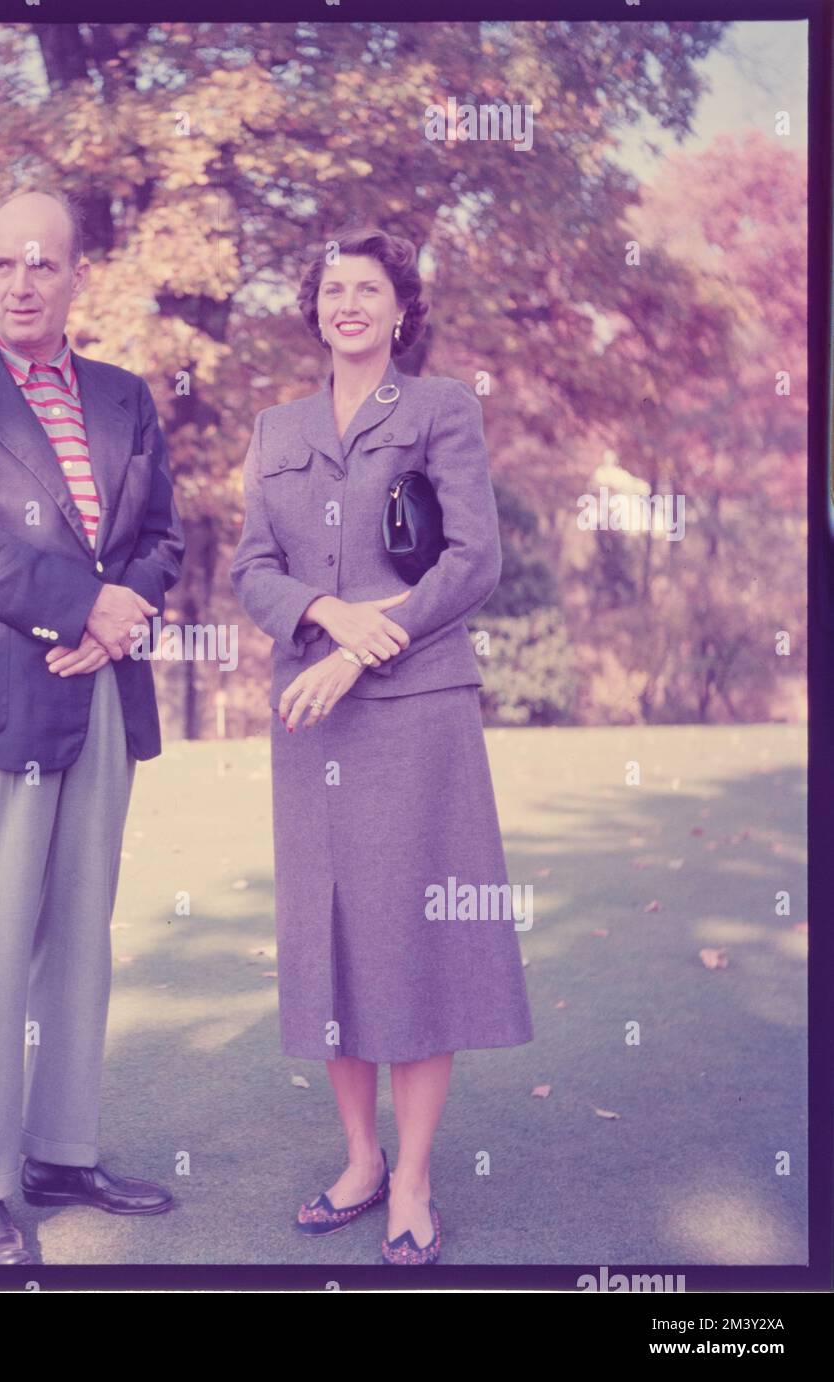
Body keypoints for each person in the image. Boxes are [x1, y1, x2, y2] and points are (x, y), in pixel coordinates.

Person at [230, 225, 534, 1265]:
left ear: (398, 309)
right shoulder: (274, 426)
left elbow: (474, 557)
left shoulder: (443, 406)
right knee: (333, 935)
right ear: (313, 308)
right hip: (312, 716)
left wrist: (363, 643)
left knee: (416, 934)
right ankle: (359, 1158)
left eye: (367, 288)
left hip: (415, 707)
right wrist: (321, 607)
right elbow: (250, 567)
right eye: (330, 288)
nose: (346, 302)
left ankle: (413, 1175)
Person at [0, 188, 186, 1265]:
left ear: (76, 277)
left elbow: (161, 534)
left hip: (103, 690)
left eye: (42, 264)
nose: (21, 282)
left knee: (79, 930)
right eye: (2, 264)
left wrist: (117, 624)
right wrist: (84, 605)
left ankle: (61, 1151)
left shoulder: (122, 396)